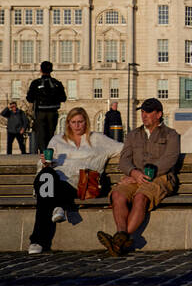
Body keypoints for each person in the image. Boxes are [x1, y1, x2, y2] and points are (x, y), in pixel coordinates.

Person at [29, 107, 122, 255]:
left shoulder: (97, 139)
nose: (77, 125)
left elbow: (122, 148)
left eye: (80, 122)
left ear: (86, 122)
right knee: (46, 175)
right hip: (53, 180)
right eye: (73, 122)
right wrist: (47, 163)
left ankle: (37, 240)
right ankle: (58, 205)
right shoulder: (57, 140)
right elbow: (43, 164)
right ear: (68, 123)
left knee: (45, 197)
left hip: (80, 184)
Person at [98, 98, 180, 256]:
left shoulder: (171, 135)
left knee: (140, 197)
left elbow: (170, 159)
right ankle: (121, 238)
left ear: (159, 114)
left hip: (160, 178)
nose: (144, 115)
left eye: (148, 112)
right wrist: (134, 173)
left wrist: (148, 175)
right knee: (117, 195)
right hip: (135, 177)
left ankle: (117, 241)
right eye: (142, 112)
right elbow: (124, 160)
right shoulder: (133, 135)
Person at [26, 61, 67, 153]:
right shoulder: (56, 83)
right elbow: (63, 98)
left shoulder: (36, 83)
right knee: (50, 134)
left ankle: (44, 153)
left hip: (40, 112)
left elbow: (29, 98)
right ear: (51, 70)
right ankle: (49, 153)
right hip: (53, 112)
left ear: (40, 70)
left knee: (41, 135)